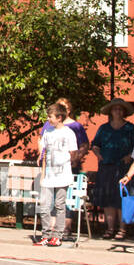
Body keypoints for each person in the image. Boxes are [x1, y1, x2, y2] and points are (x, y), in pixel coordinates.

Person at [91, 98, 134, 240]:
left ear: (124, 112)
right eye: (115, 109)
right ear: (111, 111)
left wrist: (129, 156)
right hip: (106, 167)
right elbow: (95, 144)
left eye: (120, 109)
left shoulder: (130, 128)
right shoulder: (104, 128)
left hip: (124, 169)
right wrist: (98, 155)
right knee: (108, 198)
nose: (117, 111)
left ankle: (122, 229)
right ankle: (110, 228)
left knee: (121, 198)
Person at [34, 103, 78, 247]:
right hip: (49, 175)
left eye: (50, 117)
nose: (48, 119)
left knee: (60, 205)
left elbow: (74, 154)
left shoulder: (69, 133)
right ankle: (45, 234)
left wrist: (66, 167)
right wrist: (43, 173)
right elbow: (45, 153)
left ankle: (58, 235)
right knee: (44, 205)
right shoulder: (48, 132)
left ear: (59, 117)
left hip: (62, 175)